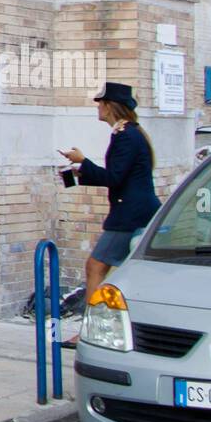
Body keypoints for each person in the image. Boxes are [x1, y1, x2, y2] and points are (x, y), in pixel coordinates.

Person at [58, 81, 160, 347]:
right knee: (132, 273)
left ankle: (90, 330)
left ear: (109, 106)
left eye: (100, 104)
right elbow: (117, 175)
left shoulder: (126, 135)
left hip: (130, 215)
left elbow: (114, 177)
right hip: (135, 212)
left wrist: (83, 162)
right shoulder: (128, 133)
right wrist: (81, 171)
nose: (98, 108)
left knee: (95, 266)